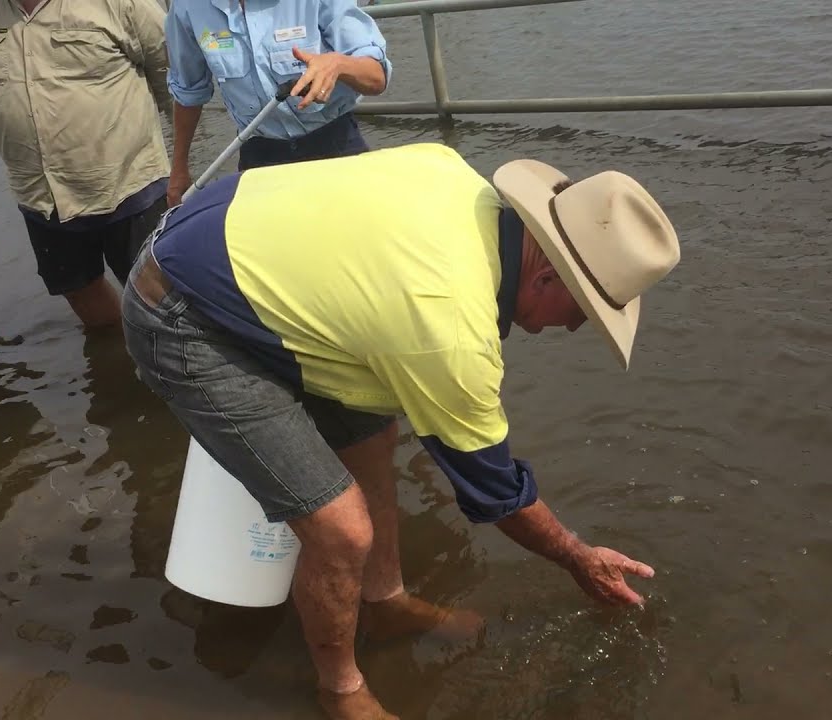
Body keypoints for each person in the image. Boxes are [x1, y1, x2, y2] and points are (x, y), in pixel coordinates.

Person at [121, 143, 680, 719]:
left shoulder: (453, 175)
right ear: (544, 275)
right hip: (184, 311)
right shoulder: (450, 326)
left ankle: (384, 603)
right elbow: (494, 493)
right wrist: (577, 556)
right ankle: (340, 691)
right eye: (583, 310)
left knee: (374, 436)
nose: (572, 327)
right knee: (340, 530)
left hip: (230, 246)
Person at [0, 0, 174, 328]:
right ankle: (122, 347)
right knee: (79, 289)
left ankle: (159, 362)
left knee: (160, 296)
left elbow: (170, 63)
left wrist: (181, 154)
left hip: (130, 183)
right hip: (41, 193)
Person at [163, 0, 392, 204]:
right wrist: (179, 168)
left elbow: (376, 77)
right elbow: (188, 92)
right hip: (260, 158)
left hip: (335, 147)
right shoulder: (187, 7)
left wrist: (338, 64)